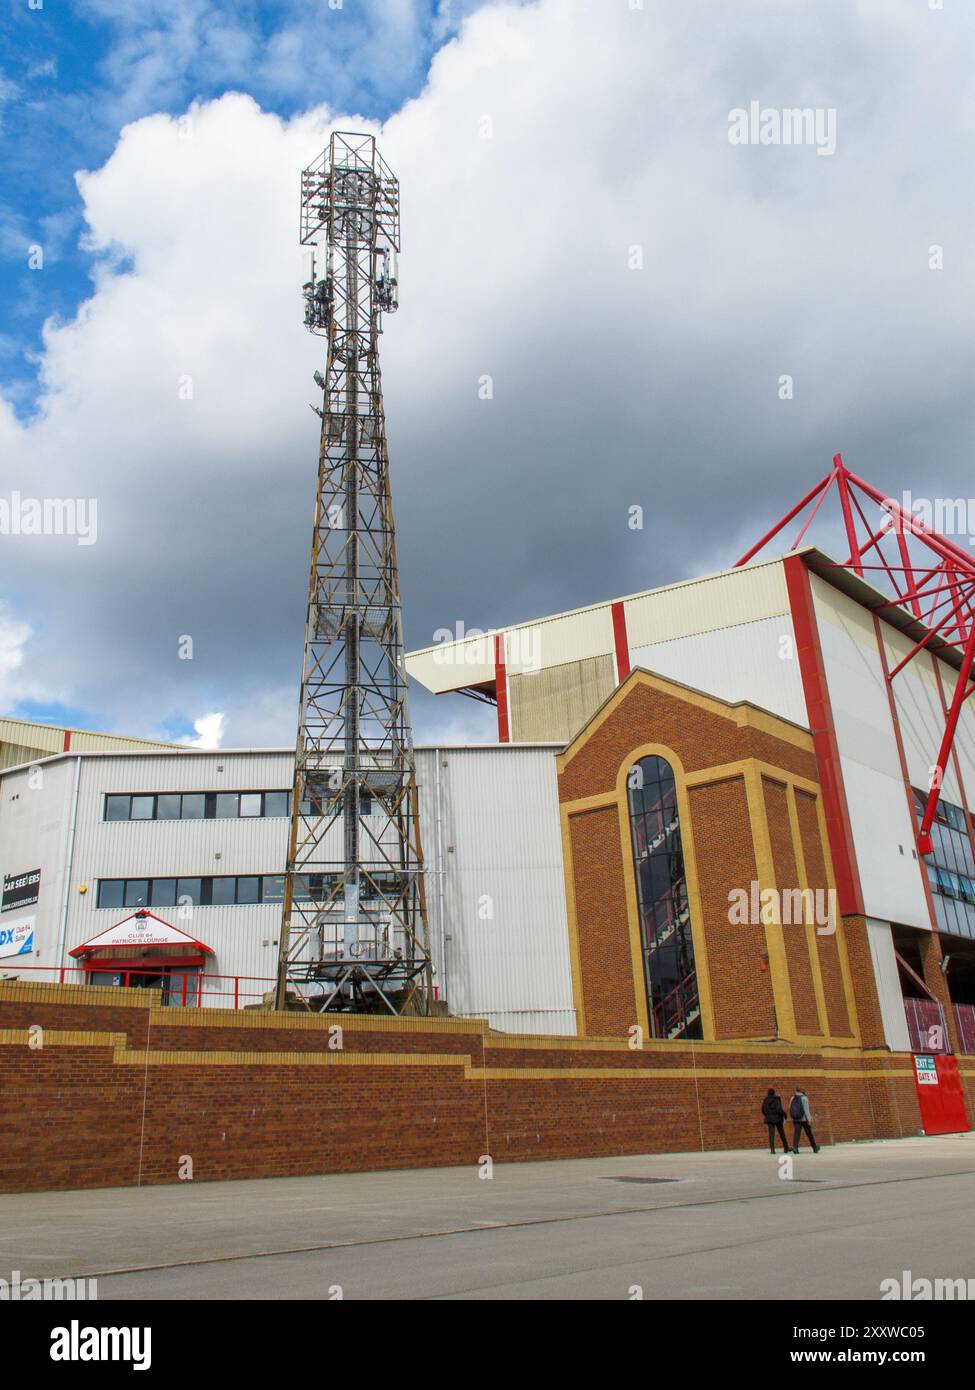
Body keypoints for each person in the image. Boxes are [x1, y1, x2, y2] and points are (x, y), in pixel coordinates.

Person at [789, 1086, 820, 1152]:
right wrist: (809, 1119)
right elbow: (806, 1110)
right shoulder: (804, 1098)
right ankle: (814, 1147)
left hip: (796, 1118)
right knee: (809, 1133)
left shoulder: (792, 1098)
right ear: (802, 1090)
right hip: (804, 1119)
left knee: (797, 1133)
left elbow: (790, 1108)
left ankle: (795, 1148)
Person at [761, 1087, 790, 1154]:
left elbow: (763, 1110)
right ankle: (786, 1148)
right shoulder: (776, 1099)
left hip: (769, 1119)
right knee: (781, 1133)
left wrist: (767, 1115)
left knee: (771, 1135)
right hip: (777, 1119)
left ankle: (772, 1150)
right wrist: (784, 1114)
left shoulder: (765, 1100)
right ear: (774, 1093)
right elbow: (779, 1109)